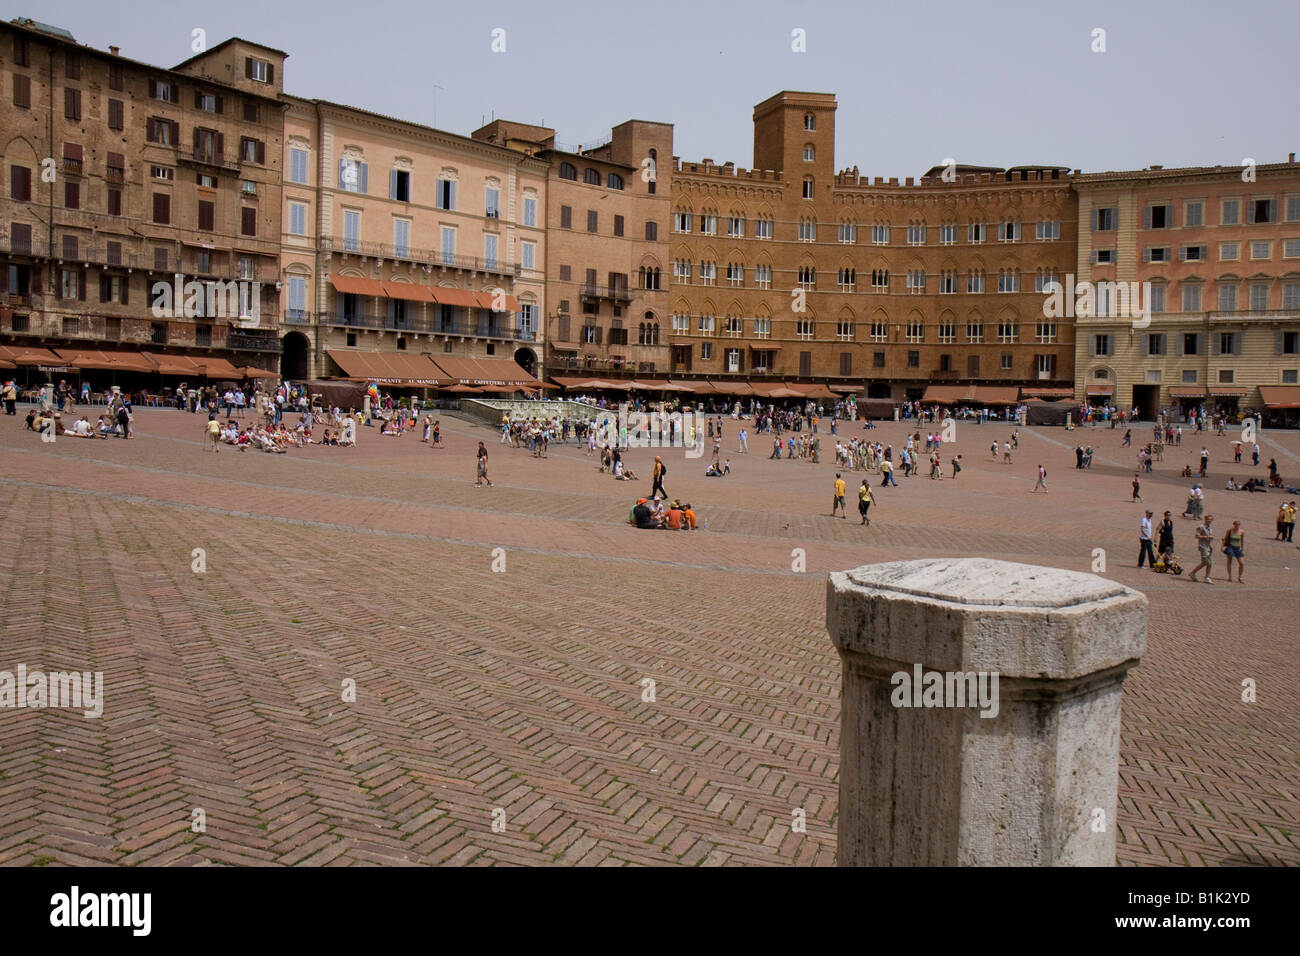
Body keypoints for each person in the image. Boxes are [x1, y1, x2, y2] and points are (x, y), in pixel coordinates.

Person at [1188, 514, 1216, 583]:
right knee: (1206, 562)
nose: (1209, 520)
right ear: (1205, 519)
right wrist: (1207, 537)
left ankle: (1206, 577)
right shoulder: (1201, 527)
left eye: (1211, 519)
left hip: (1208, 546)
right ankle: (1193, 573)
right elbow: (1196, 536)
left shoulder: (1210, 528)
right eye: (1208, 519)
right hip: (1203, 546)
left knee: (1209, 563)